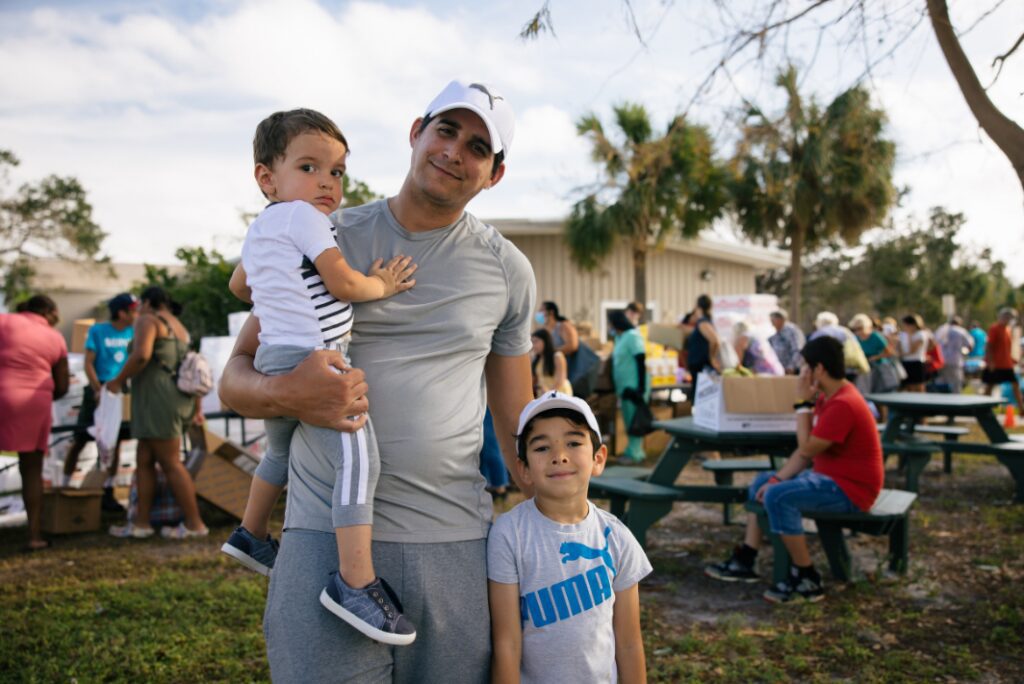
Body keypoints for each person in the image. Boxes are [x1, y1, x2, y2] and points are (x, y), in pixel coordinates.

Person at [218, 80, 536, 682]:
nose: (454, 152)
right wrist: (286, 395)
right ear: (417, 133)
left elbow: (513, 413)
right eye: (446, 131)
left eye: (477, 147)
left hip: (454, 545)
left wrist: (555, 510)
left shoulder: (508, 270)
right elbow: (235, 379)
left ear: (494, 173)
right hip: (320, 541)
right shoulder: (319, 231)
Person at [219, 108, 417, 645]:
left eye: (337, 172)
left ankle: (252, 533)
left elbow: (242, 286)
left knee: (278, 452)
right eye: (310, 167)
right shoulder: (304, 218)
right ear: (268, 178)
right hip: (317, 357)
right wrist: (382, 284)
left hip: (275, 356)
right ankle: (356, 582)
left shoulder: (262, 229)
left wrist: (278, 293)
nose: (327, 183)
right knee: (359, 459)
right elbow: (345, 284)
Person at [704, 336, 883, 602]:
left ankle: (806, 575)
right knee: (762, 482)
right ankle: (747, 558)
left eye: (805, 367)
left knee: (779, 496)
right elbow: (804, 453)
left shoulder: (843, 403)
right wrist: (776, 478)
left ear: (818, 369)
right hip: (829, 478)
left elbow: (807, 448)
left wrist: (802, 404)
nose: (801, 373)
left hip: (851, 490)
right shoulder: (830, 397)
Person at [488, 392, 651, 682]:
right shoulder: (509, 534)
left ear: (598, 458)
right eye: (541, 448)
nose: (559, 456)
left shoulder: (617, 537)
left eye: (574, 443)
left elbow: (628, 643)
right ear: (523, 469)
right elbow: (506, 643)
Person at [106, 286, 207, 540]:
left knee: (170, 461)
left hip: (158, 399)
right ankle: (141, 523)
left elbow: (141, 356)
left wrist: (117, 381)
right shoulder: (177, 325)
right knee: (144, 459)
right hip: (173, 397)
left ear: (148, 303)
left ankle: (195, 524)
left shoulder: (148, 320)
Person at [0, 295, 69, 551]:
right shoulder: (55, 338)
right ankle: (34, 536)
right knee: (31, 469)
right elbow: (61, 385)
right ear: (48, 312)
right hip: (33, 402)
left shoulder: (5, 322)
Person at [62, 292, 139, 510]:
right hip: (99, 388)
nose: (136, 314)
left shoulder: (134, 331)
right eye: (132, 310)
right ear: (121, 312)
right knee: (81, 437)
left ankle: (108, 489)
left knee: (115, 440)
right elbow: (88, 362)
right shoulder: (98, 331)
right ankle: (66, 486)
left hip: (122, 390)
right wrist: (98, 389)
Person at [608, 310, 649, 465]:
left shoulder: (632, 335)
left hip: (634, 385)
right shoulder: (620, 338)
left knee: (635, 420)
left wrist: (641, 387)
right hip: (624, 386)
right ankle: (631, 451)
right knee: (628, 419)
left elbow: (640, 359)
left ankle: (636, 454)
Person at [983, 308, 1024, 413]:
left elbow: (1008, 348)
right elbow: (989, 345)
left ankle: (1021, 410)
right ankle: (982, 409)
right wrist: (991, 362)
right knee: (989, 386)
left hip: (1007, 364)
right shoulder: (995, 328)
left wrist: (1013, 359)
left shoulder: (1008, 330)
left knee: (1015, 384)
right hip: (996, 364)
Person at [849, 313, 891, 394]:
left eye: (860, 328)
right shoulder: (856, 339)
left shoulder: (876, 336)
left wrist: (875, 357)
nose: (858, 331)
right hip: (864, 370)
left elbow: (889, 352)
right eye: (855, 329)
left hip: (878, 369)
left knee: (878, 394)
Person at [685, 294, 721, 382]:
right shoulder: (703, 322)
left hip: (701, 365)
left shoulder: (703, 323)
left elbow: (715, 341)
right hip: (699, 364)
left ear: (698, 307)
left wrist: (711, 357)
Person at [934, 316, 973, 394]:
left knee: (941, 381)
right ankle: (956, 400)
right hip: (955, 360)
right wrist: (965, 353)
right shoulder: (961, 331)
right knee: (956, 383)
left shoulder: (941, 329)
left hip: (941, 359)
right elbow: (970, 345)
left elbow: (934, 343)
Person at [531, 328, 571, 396]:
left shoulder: (557, 356)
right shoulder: (537, 359)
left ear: (545, 341)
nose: (533, 345)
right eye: (532, 342)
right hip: (544, 394)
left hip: (558, 393)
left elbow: (560, 381)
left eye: (536, 341)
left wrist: (549, 393)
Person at [768, 310, 805, 375]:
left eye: (773, 320)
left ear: (781, 319)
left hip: (792, 370)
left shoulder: (791, 331)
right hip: (781, 370)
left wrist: (791, 366)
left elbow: (797, 350)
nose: (772, 324)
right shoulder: (776, 332)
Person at [898, 314, 928, 392]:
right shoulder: (903, 334)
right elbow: (900, 347)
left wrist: (910, 336)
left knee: (918, 385)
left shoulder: (921, 334)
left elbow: (913, 350)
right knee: (908, 385)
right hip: (906, 362)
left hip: (917, 362)